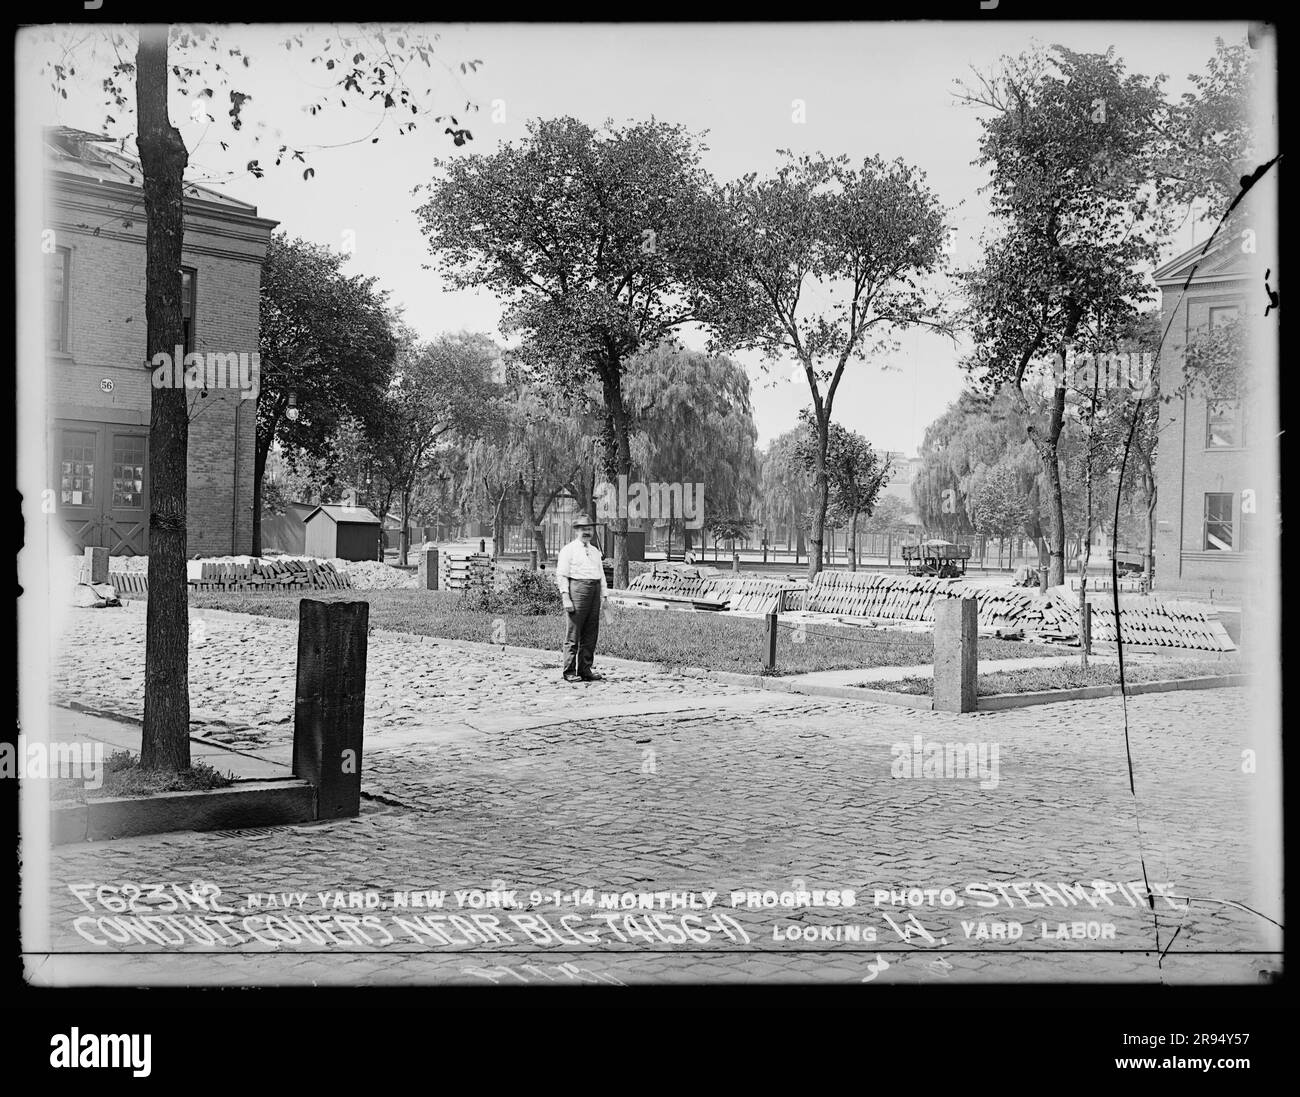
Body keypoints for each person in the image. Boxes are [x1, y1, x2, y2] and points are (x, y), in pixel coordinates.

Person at [555, 514, 613, 682]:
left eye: (589, 529)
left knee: (590, 633)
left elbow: (601, 575)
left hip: (594, 591)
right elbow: (562, 575)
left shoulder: (595, 551)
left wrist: (605, 596)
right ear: (577, 531)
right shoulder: (569, 550)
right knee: (573, 633)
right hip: (577, 590)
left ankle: (585, 669)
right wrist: (566, 597)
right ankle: (569, 671)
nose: (586, 532)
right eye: (583, 529)